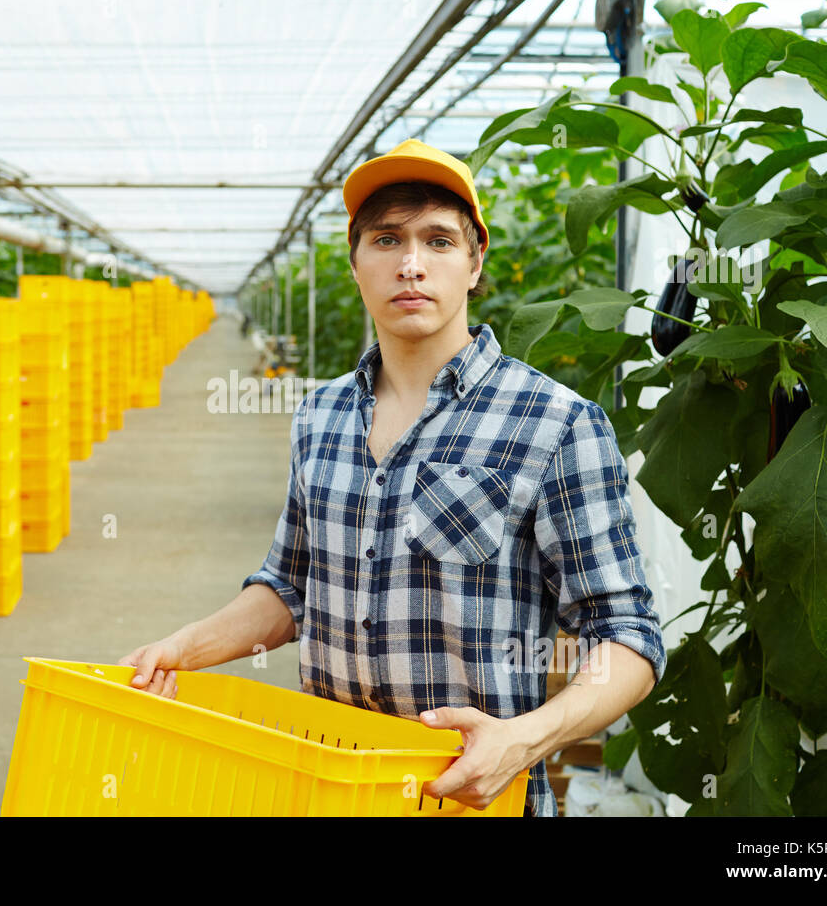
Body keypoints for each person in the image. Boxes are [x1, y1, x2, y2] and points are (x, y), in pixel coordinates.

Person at [119, 138, 666, 817]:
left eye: (438, 241)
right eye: (386, 240)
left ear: (475, 263)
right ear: (355, 265)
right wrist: (185, 647)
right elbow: (292, 588)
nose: (410, 264)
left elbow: (626, 634)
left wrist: (523, 741)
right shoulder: (321, 415)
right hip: (329, 790)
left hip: (468, 798)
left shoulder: (552, 423)